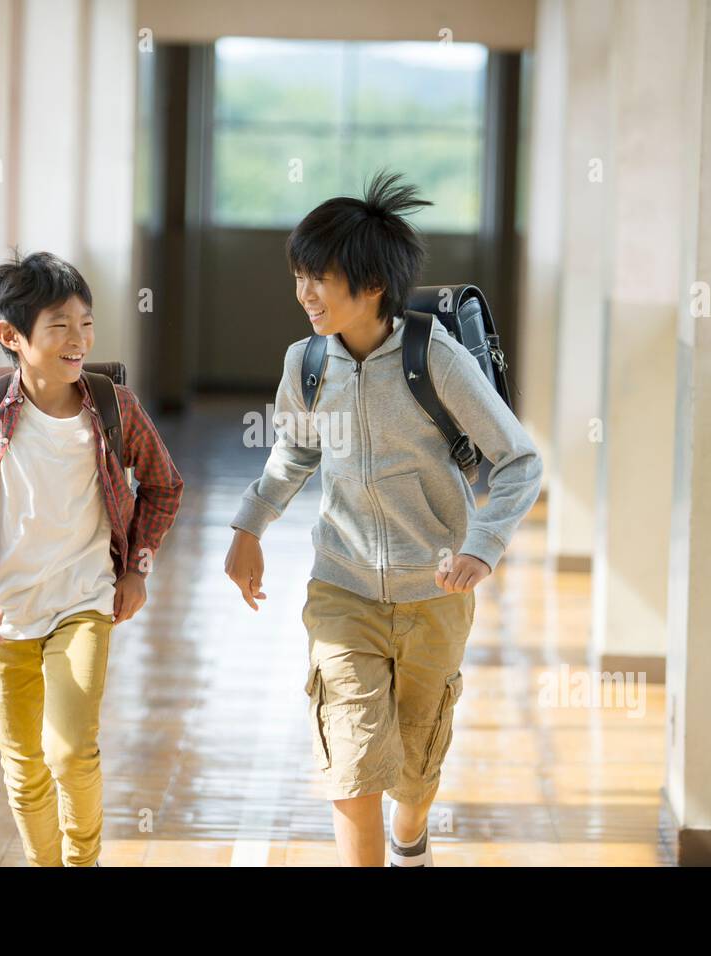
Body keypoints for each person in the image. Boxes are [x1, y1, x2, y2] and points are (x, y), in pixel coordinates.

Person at [224, 172, 542, 866]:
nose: (304, 294)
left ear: (371, 286)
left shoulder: (437, 359)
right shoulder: (305, 363)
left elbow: (519, 461)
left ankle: (412, 833)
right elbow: (297, 449)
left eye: (319, 279)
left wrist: (482, 548)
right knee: (352, 762)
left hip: (436, 595)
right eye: (298, 276)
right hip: (342, 590)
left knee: (416, 765)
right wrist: (250, 526)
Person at [0, 250, 183, 866]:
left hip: (83, 601)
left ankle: (81, 863)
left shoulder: (113, 407)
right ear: (11, 336)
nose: (79, 339)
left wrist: (136, 566)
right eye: (59, 326)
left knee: (69, 751)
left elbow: (164, 483)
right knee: (24, 764)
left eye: (85, 323)